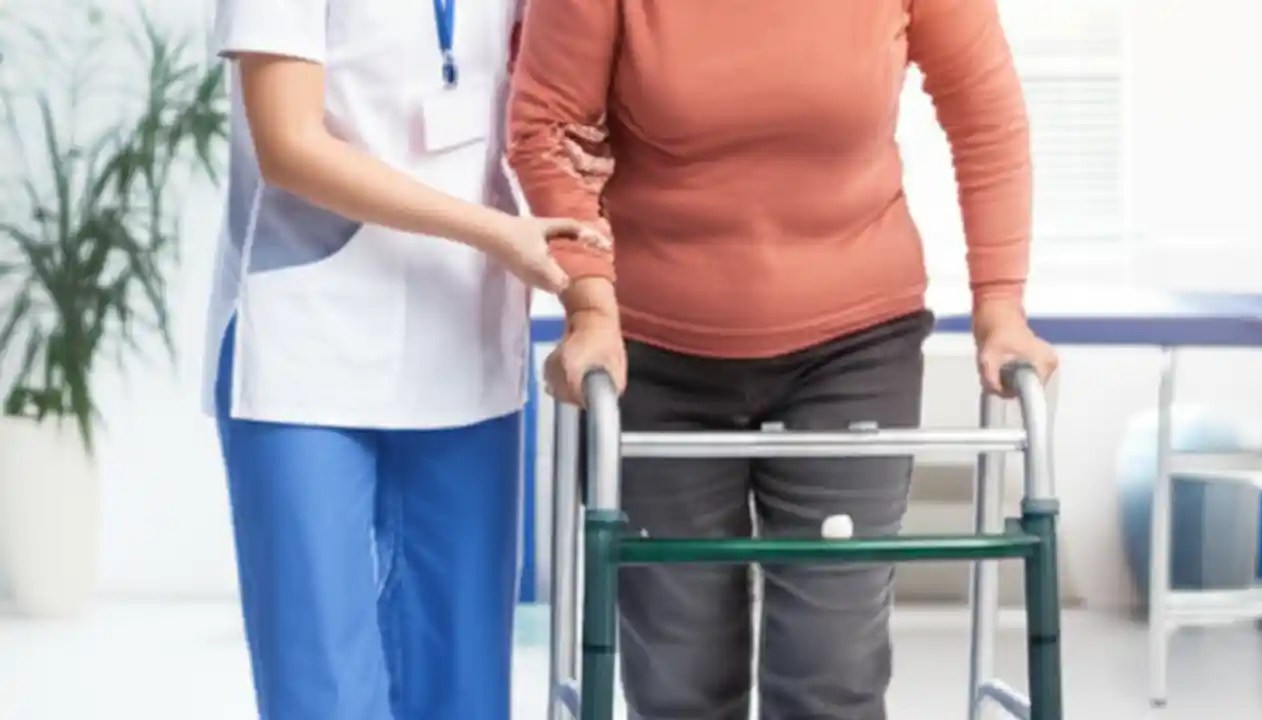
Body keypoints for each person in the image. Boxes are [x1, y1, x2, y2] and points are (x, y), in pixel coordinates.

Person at [507, 1, 1058, 718]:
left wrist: (1001, 305)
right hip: (652, 349)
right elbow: (547, 128)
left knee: (831, 670)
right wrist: (590, 306)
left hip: (853, 347)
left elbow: (986, 114)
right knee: (679, 680)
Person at [204, 1, 597, 718]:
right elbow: (289, 145)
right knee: (322, 688)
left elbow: (557, 96)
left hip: (465, 337)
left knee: (464, 689)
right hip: (307, 340)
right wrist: (492, 232)